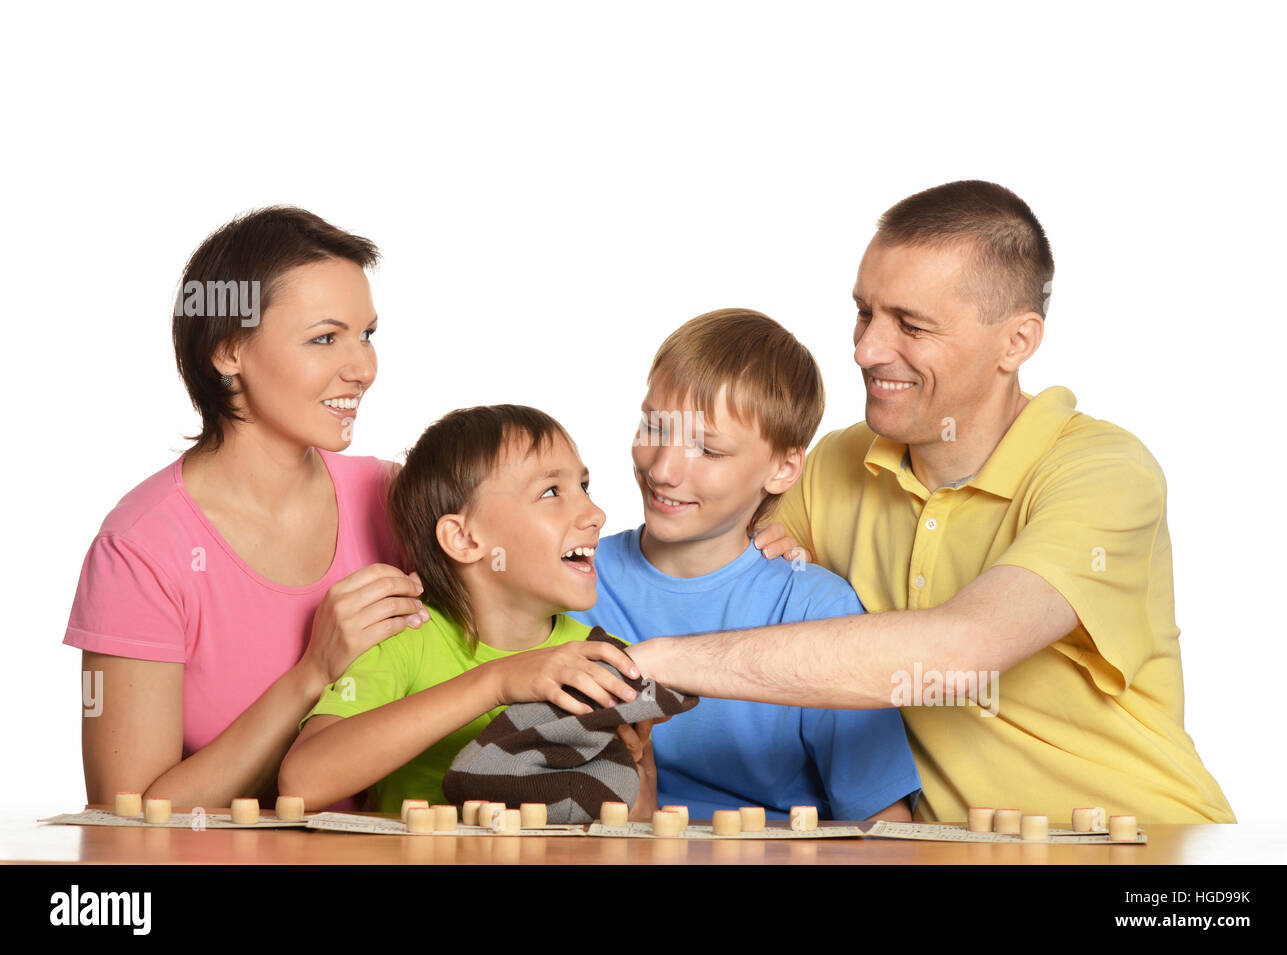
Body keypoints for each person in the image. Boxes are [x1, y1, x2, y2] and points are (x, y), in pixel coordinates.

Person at [625, 181, 1235, 824]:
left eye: (911, 326)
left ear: (1017, 342)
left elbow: (961, 651)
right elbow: (705, 561)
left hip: (1140, 842)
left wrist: (659, 662)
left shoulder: (1104, 473)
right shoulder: (834, 464)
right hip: (949, 847)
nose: (865, 350)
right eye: (864, 313)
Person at [63, 209, 628, 811]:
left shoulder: (392, 497)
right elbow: (124, 818)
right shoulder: (141, 549)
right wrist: (312, 672)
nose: (363, 369)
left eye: (368, 335)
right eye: (325, 338)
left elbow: (533, 592)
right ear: (228, 351)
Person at [569, 309, 918, 821]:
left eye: (707, 450)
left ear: (783, 468)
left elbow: (883, 822)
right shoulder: (571, 579)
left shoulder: (817, 609)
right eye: (654, 427)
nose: (663, 469)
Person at [279, 405, 655, 816]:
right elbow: (302, 782)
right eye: (551, 492)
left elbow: (640, 813)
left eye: (584, 486)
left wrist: (630, 769)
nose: (596, 514)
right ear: (464, 539)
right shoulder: (402, 643)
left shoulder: (603, 660)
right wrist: (495, 683)